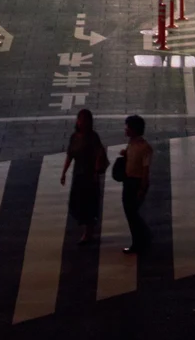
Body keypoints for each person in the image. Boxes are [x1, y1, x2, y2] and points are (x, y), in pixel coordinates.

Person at [60, 108, 107, 243]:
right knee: (78, 203)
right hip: (78, 175)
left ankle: (88, 232)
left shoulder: (93, 137)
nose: (81, 123)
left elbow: (99, 153)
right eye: (80, 120)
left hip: (89, 176)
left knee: (89, 204)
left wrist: (96, 171)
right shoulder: (74, 137)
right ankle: (87, 228)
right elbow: (70, 155)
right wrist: (64, 172)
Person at [118, 114, 152, 254]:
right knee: (131, 213)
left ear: (134, 129)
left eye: (128, 127)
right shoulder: (131, 144)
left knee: (132, 213)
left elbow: (145, 170)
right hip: (128, 181)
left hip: (136, 183)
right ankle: (143, 236)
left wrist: (142, 188)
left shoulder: (145, 148)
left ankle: (140, 239)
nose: (125, 129)